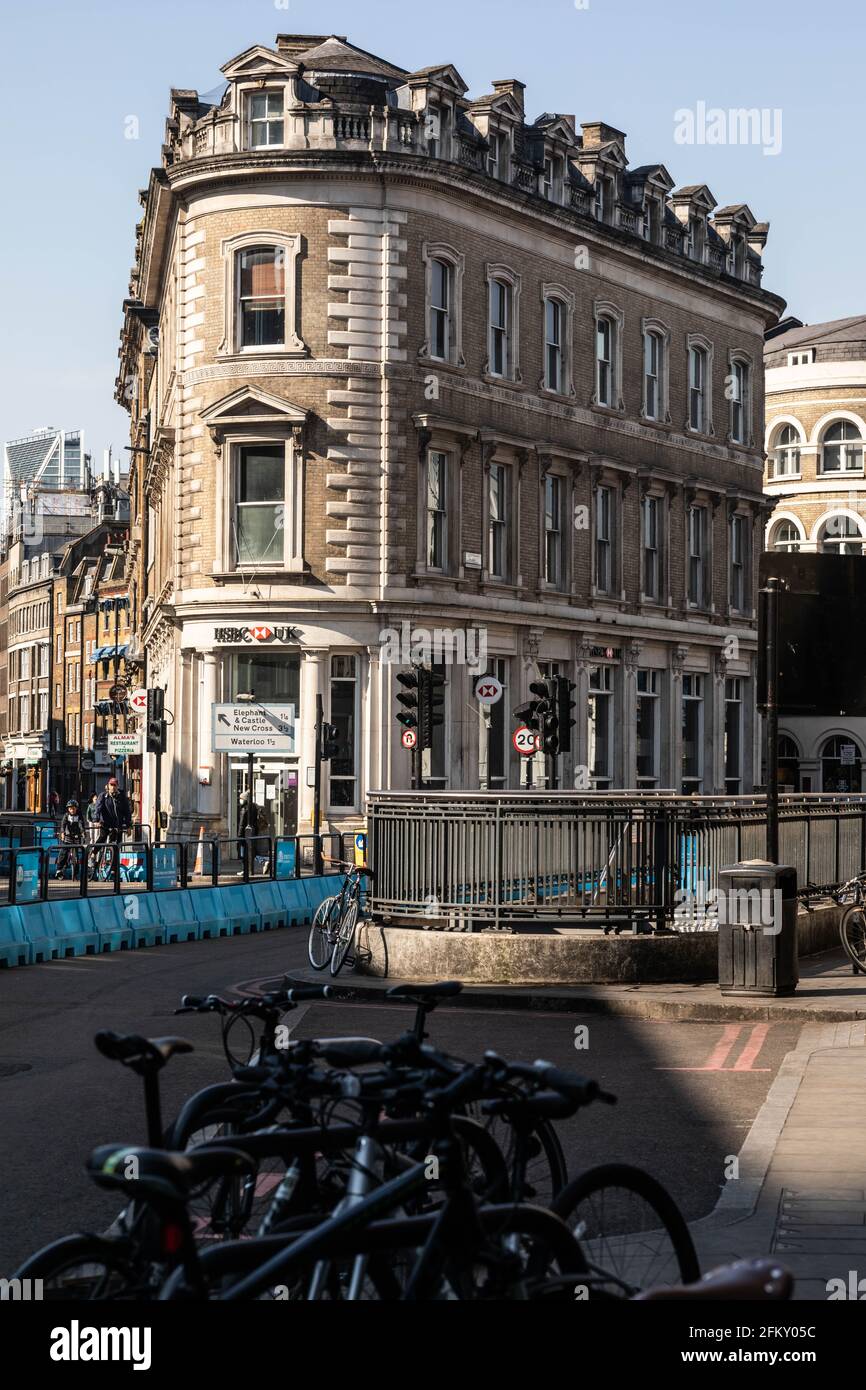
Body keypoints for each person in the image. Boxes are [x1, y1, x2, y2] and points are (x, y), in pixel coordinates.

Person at [92, 778, 133, 879]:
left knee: (115, 847)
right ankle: (94, 853)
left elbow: (127, 812)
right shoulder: (103, 796)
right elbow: (98, 808)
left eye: (115, 785)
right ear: (108, 786)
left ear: (117, 786)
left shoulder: (121, 797)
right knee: (102, 837)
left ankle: (114, 869)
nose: (113, 787)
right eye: (111, 785)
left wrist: (128, 826)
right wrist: (96, 820)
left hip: (117, 825)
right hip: (105, 824)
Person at [55, 799, 85, 879]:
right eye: (70, 808)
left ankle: (75, 873)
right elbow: (63, 825)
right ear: (68, 809)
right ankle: (59, 869)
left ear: (76, 808)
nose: (72, 810)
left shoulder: (79, 815)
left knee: (76, 856)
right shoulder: (66, 815)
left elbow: (81, 824)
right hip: (67, 836)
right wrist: (62, 833)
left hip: (76, 836)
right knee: (63, 852)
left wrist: (82, 832)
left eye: (74, 808)